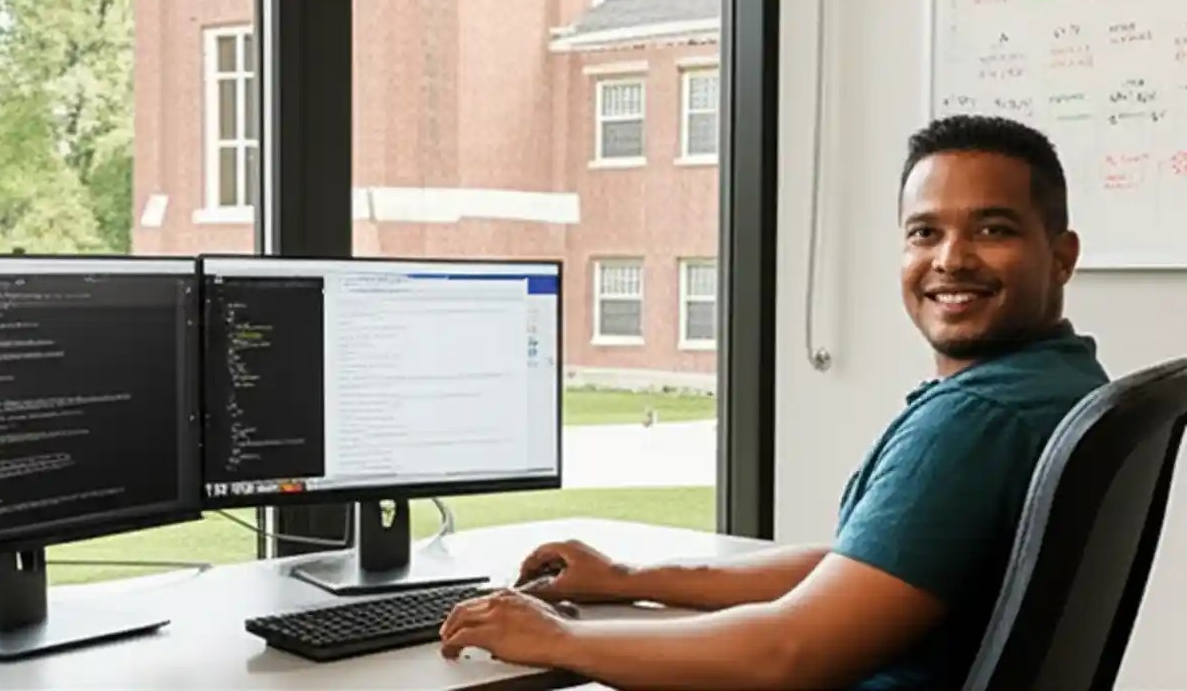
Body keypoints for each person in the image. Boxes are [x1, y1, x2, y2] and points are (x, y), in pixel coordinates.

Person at [437, 114, 1110, 690]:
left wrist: (559, 641)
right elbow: (863, 567)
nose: (951, 259)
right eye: (924, 232)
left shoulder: (976, 423)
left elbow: (785, 654)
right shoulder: (1060, 383)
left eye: (992, 230)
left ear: (1061, 255)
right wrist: (627, 578)